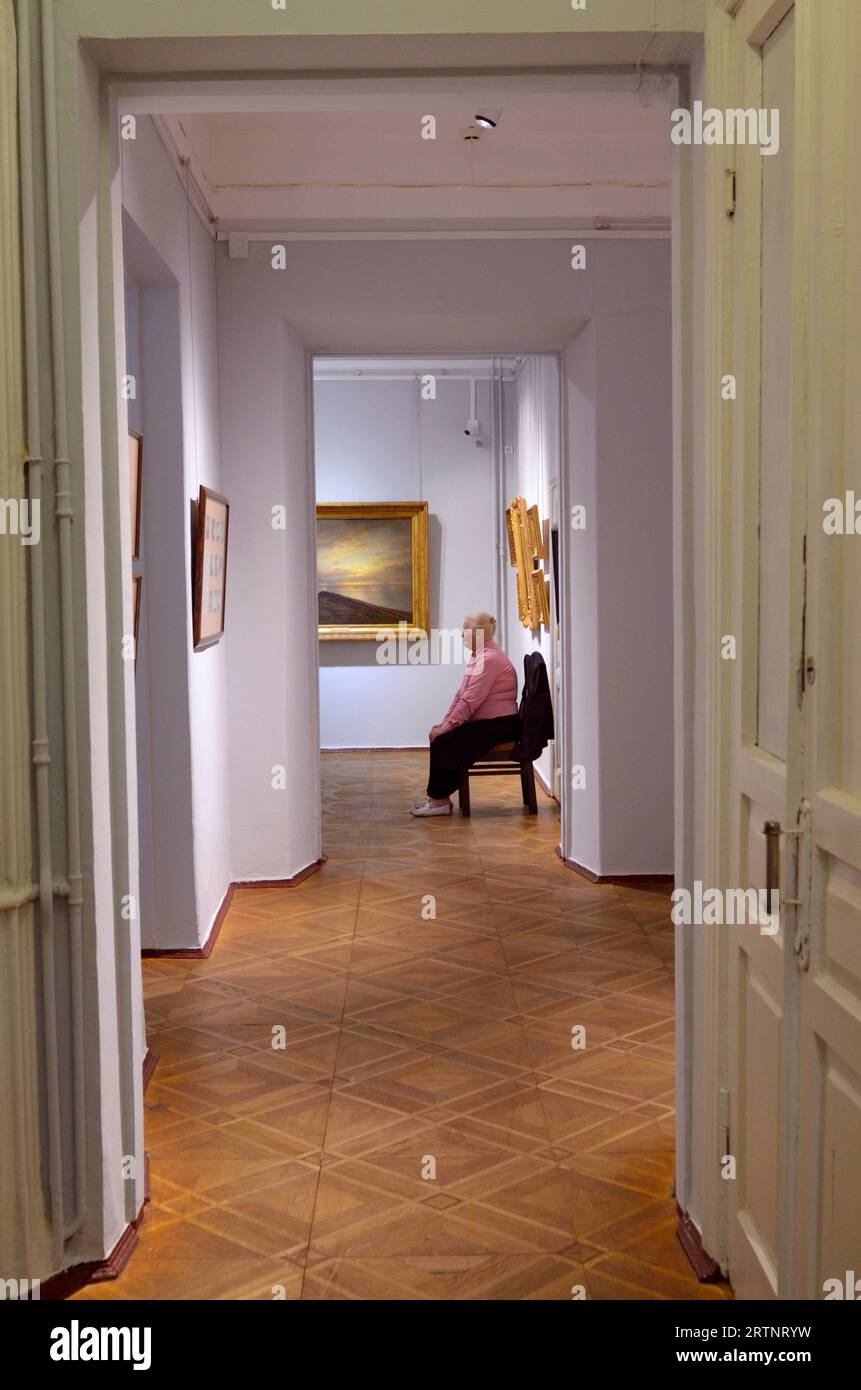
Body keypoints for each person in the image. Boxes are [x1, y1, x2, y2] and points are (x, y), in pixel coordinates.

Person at [411, 612, 520, 817]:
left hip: (500, 724)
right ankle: (438, 798)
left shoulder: (488, 659)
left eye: (465, 629)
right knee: (442, 736)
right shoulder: (479, 656)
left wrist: (447, 727)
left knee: (443, 740)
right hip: (491, 721)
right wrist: (446, 722)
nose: (461, 634)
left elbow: (471, 700)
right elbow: (461, 694)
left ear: (477, 633)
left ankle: (439, 801)